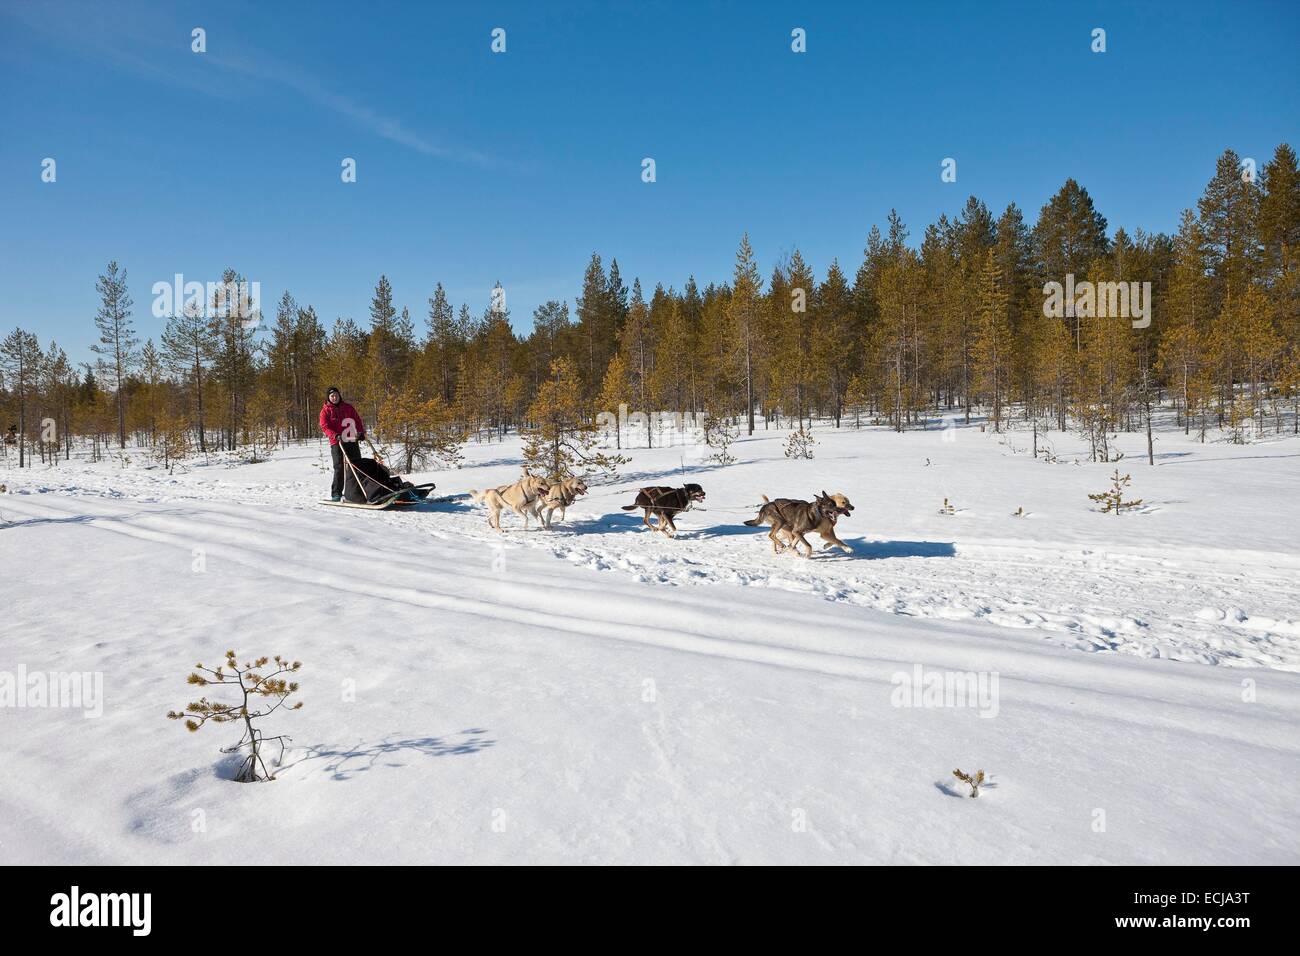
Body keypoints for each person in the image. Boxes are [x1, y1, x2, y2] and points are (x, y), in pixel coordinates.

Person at [319, 386, 365, 501]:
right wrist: (334, 435)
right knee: (339, 467)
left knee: (355, 465)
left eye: (336, 395)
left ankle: (356, 492)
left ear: (339, 396)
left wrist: (360, 433)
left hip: (350, 438)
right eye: (332, 396)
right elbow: (325, 427)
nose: (334, 397)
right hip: (337, 441)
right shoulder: (325, 411)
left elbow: (357, 420)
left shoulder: (348, 408)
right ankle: (336, 493)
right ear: (328, 398)